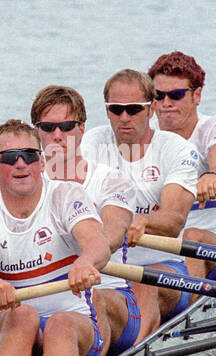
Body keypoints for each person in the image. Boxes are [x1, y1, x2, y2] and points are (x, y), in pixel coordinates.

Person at [0, 120, 110, 356]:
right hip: (15, 333)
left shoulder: (65, 196)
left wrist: (86, 262)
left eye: (29, 155)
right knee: (21, 314)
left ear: (41, 163)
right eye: (8, 157)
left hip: (76, 333)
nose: (20, 164)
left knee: (60, 322)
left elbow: (97, 242)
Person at [80, 69, 200, 333]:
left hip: (162, 268)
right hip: (105, 268)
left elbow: (174, 221)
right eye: (116, 109)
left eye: (134, 109)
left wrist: (141, 220)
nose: (124, 117)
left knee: (142, 285)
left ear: (152, 108)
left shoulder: (176, 149)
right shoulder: (92, 143)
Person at [30, 85, 143, 356]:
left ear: (81, 129)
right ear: (36, 132)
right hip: (50, 301)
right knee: (17, 316)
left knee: (96, 299)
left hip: (108, 293)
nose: (58, 135)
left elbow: (114, 233)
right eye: (48, 127)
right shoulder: (24, 186)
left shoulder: (111, 180)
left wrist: (88, 260)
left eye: (67, 126)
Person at [147, 50, 216, 282]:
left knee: (190, 236)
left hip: (208, 252)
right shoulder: (143, 137)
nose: (166, 103)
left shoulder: (211, 129)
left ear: (196, 95)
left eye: (176, 95)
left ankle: (190, 310)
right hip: (157, 249)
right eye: (158, 95)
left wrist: (213, 177)